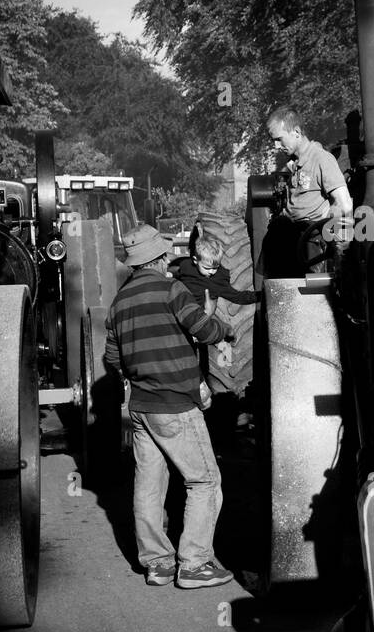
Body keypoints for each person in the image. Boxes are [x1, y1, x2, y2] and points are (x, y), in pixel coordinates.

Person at [104, 224, 238, 589]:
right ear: (159, 258)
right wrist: (226, 330)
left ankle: (157, 565)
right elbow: (203, 329)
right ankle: (194, 564)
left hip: (141, 408)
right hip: (175, 406)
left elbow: (113, 358)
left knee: (148, 486)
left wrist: (141, 371)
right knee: (205, 481)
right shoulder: (170, 288)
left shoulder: (120, 302)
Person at [173, 231, 258, 447]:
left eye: (215, 268)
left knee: (222, 345)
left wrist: (258, 295)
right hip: (185, 325)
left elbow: (236, 296)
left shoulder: (217, 279)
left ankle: (216, 423)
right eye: (208, 268)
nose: (212, 272)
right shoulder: (183, 277)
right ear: (194, 259)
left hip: (202, 327)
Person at [261, 106, 353, 275]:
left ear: (296, 132)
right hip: (290, 239)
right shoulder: (295, 164)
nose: (276, 146)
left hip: (310, 240)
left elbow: (344, 205)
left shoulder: (321, 159)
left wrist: (336, 242)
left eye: (279, 139)